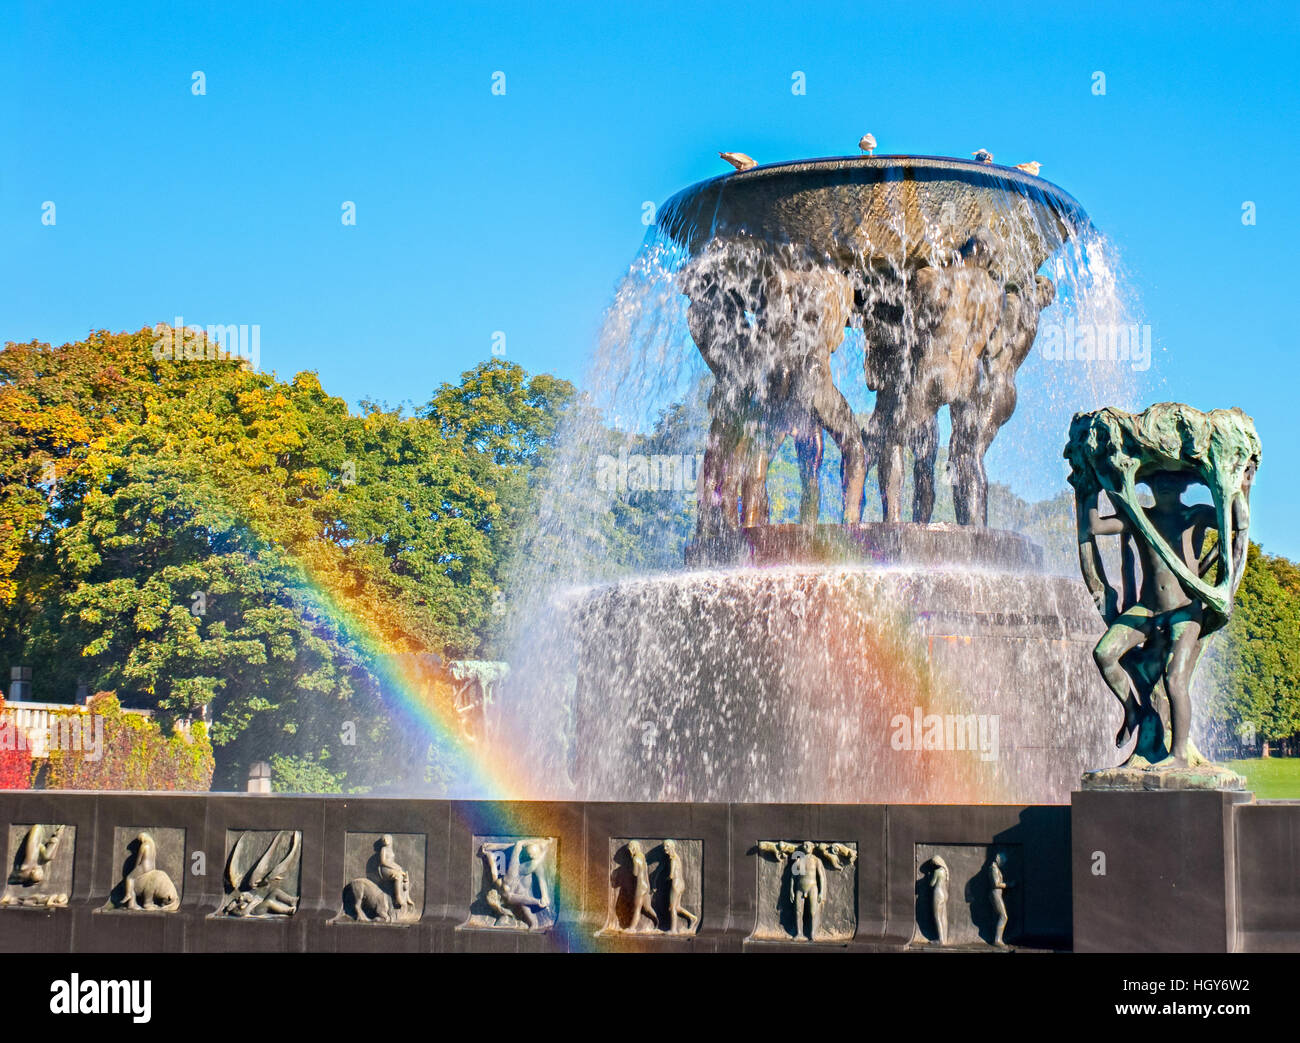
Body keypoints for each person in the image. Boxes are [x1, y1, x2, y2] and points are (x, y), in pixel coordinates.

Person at [663, 839, 698, 934]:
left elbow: (671, 875)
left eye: (667, 846)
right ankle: (693, 918)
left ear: (672, 847)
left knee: (672, 908)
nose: (665, 848)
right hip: (681, 884)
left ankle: (673, 930)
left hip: (675, 884)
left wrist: (664, 878)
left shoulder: (673, 860)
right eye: (664, 846)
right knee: (677, 907)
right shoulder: (677, 857)